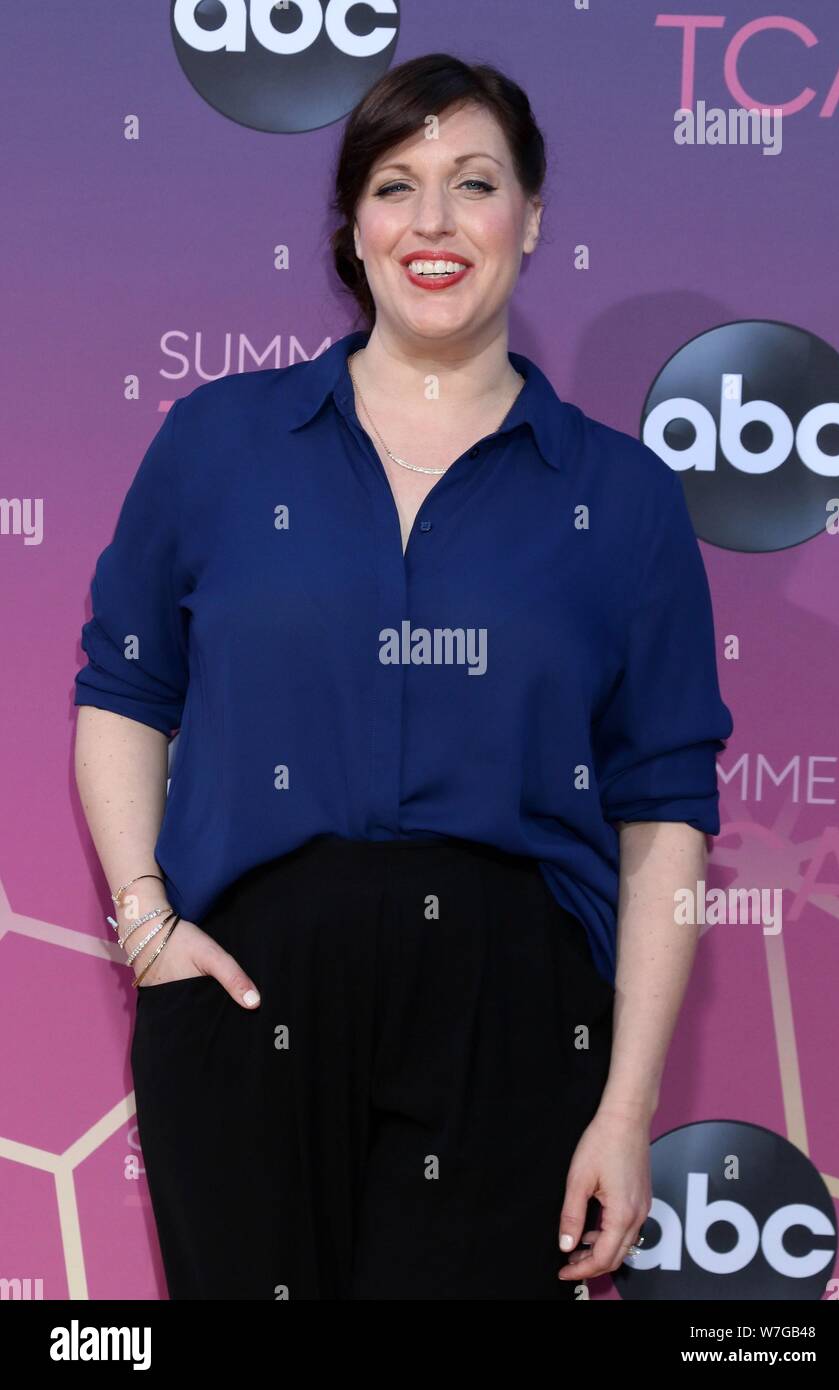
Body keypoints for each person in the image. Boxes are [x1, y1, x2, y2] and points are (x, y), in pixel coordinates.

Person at [73, 52, 733, 1301]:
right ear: (353, 226)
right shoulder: (218, 441)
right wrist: (147, 927)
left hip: (512, 1019)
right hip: (243, 996)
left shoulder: (623, 498)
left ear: (529, 219)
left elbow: (661, 809)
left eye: (471, 183)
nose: (431, 222)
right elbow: (123, 691)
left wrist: (624, 1101)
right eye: (395, 184)